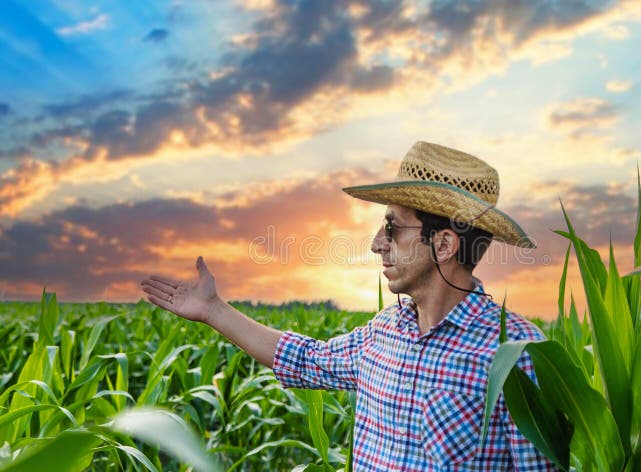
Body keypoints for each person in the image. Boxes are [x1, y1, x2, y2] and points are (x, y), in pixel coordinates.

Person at [140, 141, 555, 471]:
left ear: (444, 244)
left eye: (392, 227)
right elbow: (305, 359)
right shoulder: (384, 332)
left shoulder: (516, 353)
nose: (377, 243)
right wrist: (214, 309)